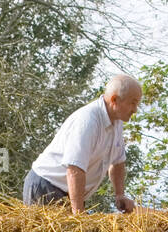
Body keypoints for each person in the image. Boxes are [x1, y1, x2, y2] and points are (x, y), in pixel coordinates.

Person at [23, 75, 140, 215]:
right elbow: (74, 168)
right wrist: (78, 214)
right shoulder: (88, 121)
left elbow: (118, 162)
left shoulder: (117, 122)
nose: (135, 109)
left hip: (68, 192)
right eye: (132, 103)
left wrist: (120, 194)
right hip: (46, 187)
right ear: (114, 100)